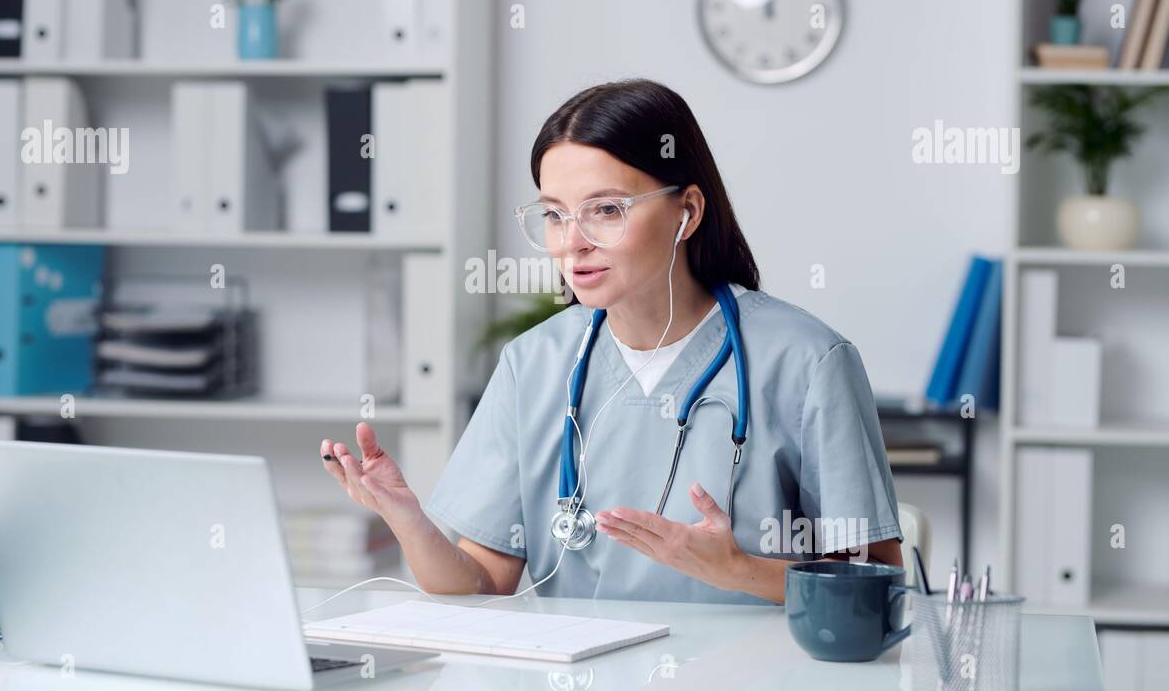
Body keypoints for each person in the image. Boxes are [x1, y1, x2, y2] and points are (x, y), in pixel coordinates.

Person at [320, 78, 903, 604]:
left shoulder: (807, 361)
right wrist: (407, 519)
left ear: (687, 212)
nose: (571, 242)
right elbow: (483, 582)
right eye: (554, 215)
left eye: (605, 210)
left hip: (752, 678)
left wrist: (740, 571)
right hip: (580, 679)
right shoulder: (534, 363)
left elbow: (877, 582)